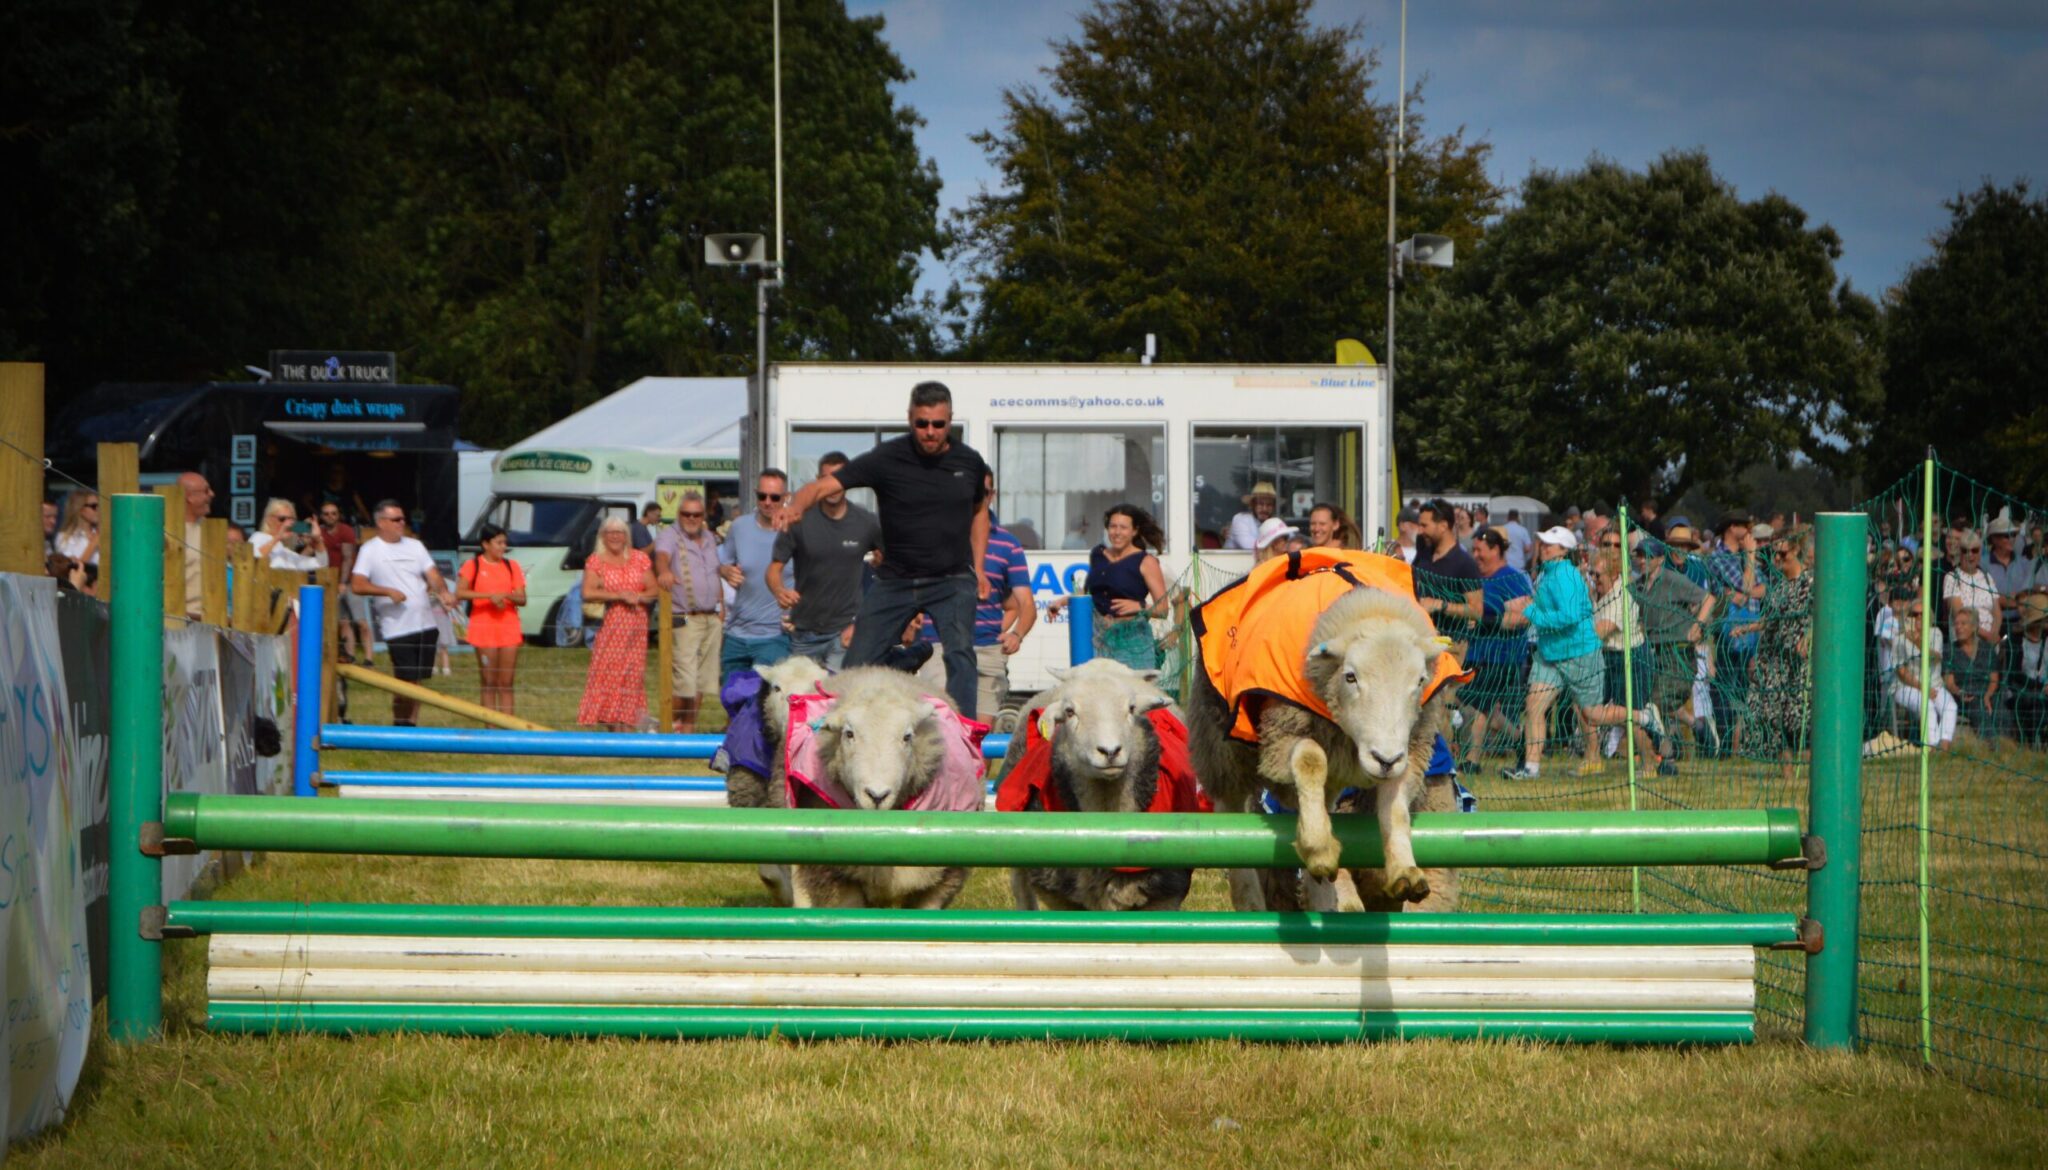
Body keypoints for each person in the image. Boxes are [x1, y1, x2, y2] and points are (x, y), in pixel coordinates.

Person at [776, 381, 992, 716]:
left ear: (950, 420)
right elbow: (823, 486)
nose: (930, 432)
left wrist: (978, 567)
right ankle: (889, 674)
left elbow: (979, 513)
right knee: (856, 663)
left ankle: (965, 731)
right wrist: (796, 506)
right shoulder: (887, 458)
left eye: (938, 424)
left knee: (960, 653)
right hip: (896, 581)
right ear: (909, 419)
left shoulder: (969, 462)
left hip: (951, 579)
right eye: (921, 423)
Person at [1501, 527, 1604, 779]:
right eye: (1543, 542)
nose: (1544, 547)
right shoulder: (1546, 573)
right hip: (1549, 654)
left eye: (1550, 544)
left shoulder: (1566, 575)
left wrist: (1529, 611)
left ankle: (1641, 717)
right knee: (1534, 707)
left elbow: (1568, 617)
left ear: (1564, 550)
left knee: (1591, 714)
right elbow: (1543, 609)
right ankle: (1531, 768)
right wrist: (1525, 607)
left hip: (1579, 652)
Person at [771, 452, 883, 671]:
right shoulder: (799, 520)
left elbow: (895, 566)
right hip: (804, 632)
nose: (832, 487)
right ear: (817, 481)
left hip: (844, 632)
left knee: (836, 690)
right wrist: (778, 589)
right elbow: (774, 568)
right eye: (826, 479)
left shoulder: (866, 522)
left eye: (838, 479)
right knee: (804, 692)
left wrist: (880, 563)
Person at [349, 500, 455, 725]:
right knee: (405, 681)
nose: (401, 523)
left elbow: (433, 574)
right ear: (381, 522)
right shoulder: (370, 550)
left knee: (417, 682)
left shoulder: (415, 546)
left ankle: (412, 726)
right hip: (397, 627)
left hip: (425, 623)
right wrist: (386, 591)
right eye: (396, 519)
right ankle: (400, 724)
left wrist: (443, 592)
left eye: (402, 519)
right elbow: (357, 584)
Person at [1053, 504, 1168, 672]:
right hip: (1098, 639)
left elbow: (1163, 609)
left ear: (1134, 531)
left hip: (1132, 642)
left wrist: (1140, 606)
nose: (1117, 532)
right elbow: (1091, 593)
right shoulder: (1098, 555)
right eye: (1113, 526)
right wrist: (1062, 602)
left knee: (1132, 688)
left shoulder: (1146, 562)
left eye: (1123, 527)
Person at [1636, 530, 1715, 771]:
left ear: (1660, 559)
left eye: (1648, 556)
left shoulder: (1674, 580)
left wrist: (1697, 626)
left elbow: (1708, 599)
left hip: (1679, 653)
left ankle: (1667, 759)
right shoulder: (1639, 586)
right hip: (1653, 653)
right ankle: (1696, 725)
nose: (1642, 560)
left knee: (1656, 704)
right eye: (1638, 556)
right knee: (1657, 704)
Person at [1581, 549, 1666, 769]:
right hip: (1607, 657)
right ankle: (1592, 760)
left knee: (1628, 719)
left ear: (1614, 574)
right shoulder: (1596, 591)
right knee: (1584, 705)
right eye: (1591, 573)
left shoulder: (1621, 599)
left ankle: (1649, 762)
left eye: (1598, 575)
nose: (1594, 579)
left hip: (1631, 659)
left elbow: (1596, 635)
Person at [1458, 526, 1533, 767]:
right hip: (1476, 652)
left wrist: (1488, 621)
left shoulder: (1511, 578)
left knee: (1482, 705)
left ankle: (1472, 760)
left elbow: (1523, 617)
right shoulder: (1476, 580)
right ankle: (1521, 741)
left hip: (1503, 655)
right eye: (1474, 550)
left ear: (1496, 549)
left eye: (1480, 550)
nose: (1475, 555)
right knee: (1479, 706)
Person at [654, 491, 726, 733]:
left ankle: (689, 727)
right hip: (684, 615)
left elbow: (714, 572)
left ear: (703, 515)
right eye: (686, 514)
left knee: (703, 679)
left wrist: (722, 606)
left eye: (696, 514)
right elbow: (661, 556)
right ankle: (670, 725)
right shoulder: (670, 535)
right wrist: (664, 571)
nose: (691, 518)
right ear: (679, 514)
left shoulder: (709, 538)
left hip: (711, 615)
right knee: (684, 677)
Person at [1746, 526, 1817, 771]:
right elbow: (1770, 620)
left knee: (1797, 718)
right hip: (1775, 659)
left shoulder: (1812, 582)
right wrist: (1747, 628)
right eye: (1775, 554)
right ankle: (1786, 772)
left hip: (1800, 661)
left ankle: (1814, 767)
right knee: (1772, 715)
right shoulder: (1778, 587)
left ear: (1796, 551)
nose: (1777, 559)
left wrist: (1808, 636)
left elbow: (1820, 615)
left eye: (1782, 554)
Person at [577, 516, 657, 731]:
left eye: (619, 532)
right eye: (610, 532)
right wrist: (618, 595)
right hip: (610, 625)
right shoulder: (596, 560)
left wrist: (638, 597)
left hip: (636, 627)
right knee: (609, 672)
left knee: (632, 673)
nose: (615, 536)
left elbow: (653, 589)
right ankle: (611, 723)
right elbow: (587, 591)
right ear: (602, 536)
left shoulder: (639, 558)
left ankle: (628, 722)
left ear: (626, 536)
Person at [718, 471, 795, 684]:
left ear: (786, 497)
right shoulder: (739, 526)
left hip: (775, 635)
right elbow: (721, 563)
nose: (767, 502)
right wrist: (725, 571)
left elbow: (813, 578)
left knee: (763, 700)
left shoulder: (796, 531)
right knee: (731, 698)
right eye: (762, 496)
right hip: (737, 633)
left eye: (775, 497)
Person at [456, 523, 527, 717]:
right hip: (484, 629)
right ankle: (490, 728)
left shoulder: (512, 566)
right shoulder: (473, 565)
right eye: (499, 543)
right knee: (489, 681)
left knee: (506, 682)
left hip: (508, 628)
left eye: (504, 543)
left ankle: (508, 727)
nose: (503, 547)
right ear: (485, 544)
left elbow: (522, 598)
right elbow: (460, 592)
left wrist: (506, 595)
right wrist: (488, 596)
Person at [1412, 497, 1482, 646]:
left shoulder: (1465, 563)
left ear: (1443, 526)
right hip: (1421, 642)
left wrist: (1440, 605)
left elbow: (1476, 610)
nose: (1420, 531)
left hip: (1451, 645)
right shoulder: (1422, 556)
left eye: (1424, 525)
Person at [317, 501, 372, 664]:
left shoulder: (346, 531)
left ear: (338, 515)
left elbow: (347, 558)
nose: (330, 516)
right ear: (321, 516)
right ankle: (350, 656)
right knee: (343, 622)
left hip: (349, 582)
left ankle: (369, 658)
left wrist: (342, 582)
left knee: (361, 622)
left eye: (333, 513)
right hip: (331, 582)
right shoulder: (319, 532)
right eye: (326, 514)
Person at [1944, 606, 2003, 740]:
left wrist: (1988, 695)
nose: (1958, 627)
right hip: (1965, 696)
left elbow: (1994, 679)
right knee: (1978, 709)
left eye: (1963, 623)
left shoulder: (1987, 650)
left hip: (1987, 693)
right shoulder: (1949, 650)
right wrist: (1959, 692)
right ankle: (1991, 747)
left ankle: (2007, 747)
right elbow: (1949, 682)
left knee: (2002, 712)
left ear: (1974, 627)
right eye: (1956, 624)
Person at [2001, 593, 2048, 746]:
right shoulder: (2015, 641)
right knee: (2035, 705)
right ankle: (2033, 744)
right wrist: (2041, 687)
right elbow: (2014, 674)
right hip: (2020, 690)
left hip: (2044, 689)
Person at [1942, 530, 2000, 640]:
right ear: (1959, 552)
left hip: (1990, 642)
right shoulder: (1952, 578)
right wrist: (1987, 636)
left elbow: (1997, 612)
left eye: (1974, 550)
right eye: (1965, 551)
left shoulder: (1987, 577)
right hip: (1965, 641)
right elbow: (1959, 614)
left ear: (1980, 552)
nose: (1970, 555)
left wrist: (1994, 633)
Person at [250, 498, 330, 571]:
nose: (287, 524)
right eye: (282, 519)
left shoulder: (287, 553)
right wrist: (278, 537)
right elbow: (252, 559)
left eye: (291, 520)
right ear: (269, 520)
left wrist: (317, 540)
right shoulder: (259, 536)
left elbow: (322, 565)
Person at [178, 471, 215, 620]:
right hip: (183, 619)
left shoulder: (212, 530)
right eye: (206, 491)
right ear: (189, 496)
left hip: (214, 618)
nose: (212, 494)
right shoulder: (169, 533)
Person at [52, 490, 100, 575]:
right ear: (80, 509)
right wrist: (92, 545)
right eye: (94, 506)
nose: (98, 510)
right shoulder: (65, 538)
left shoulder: (103, 534)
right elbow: (72, 569)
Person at [1226, 482, 1279, 550]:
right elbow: (1250, 547)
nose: (1264, 509)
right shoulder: (1241, 520)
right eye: (1260, 504)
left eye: (1269, 505)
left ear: (1273, 507)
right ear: (1252, 505)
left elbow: (1286, 544)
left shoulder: (1274, 522)